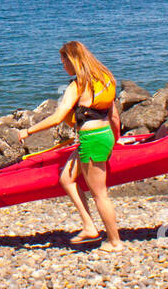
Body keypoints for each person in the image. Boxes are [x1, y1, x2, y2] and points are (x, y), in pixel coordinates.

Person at [19, 41, 124, 251]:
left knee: (99, 194)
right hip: (103, 135)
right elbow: (113, 115)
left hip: (92, 138)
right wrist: (116, 138)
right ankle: (88, 226)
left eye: (63, 62)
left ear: (72, 59)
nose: (63, 67)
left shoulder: (78, 85)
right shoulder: (105, 78)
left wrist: (28, 131)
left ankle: (115, 242)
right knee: (66, 178)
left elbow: (58, 117)